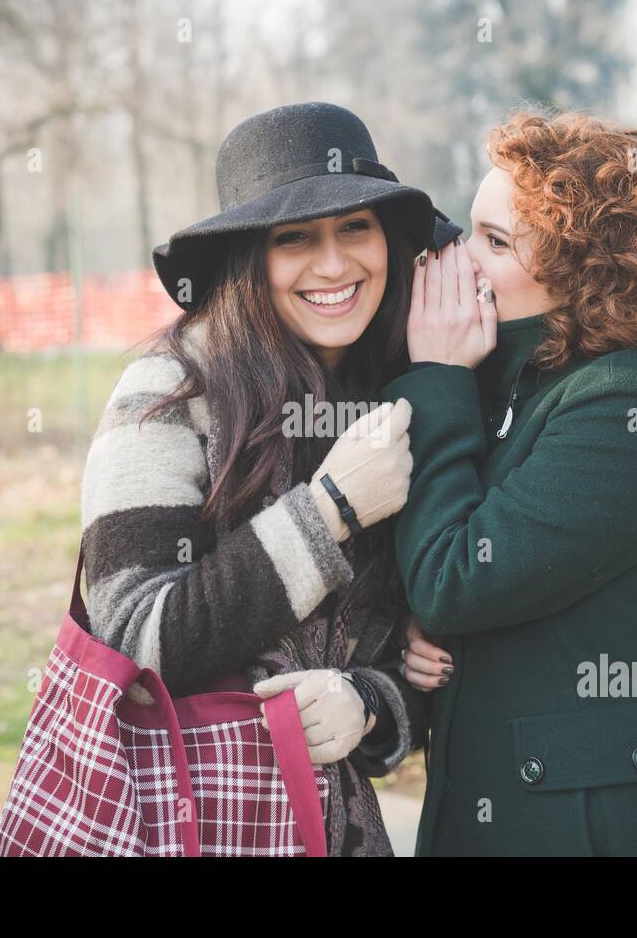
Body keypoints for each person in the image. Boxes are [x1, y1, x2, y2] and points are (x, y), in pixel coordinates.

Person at [79, 101, 461, 856]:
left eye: (356, 227)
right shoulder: (170, 391)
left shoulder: (387, 401)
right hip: (184, 823)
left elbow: (413, 664)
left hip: (336, 831)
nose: (333, 264)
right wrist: (331, 511)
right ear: (249, 257)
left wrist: (370, 704)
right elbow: (132, 643)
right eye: (296, 239)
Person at [388, 109, 637, 855]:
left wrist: (438, 377)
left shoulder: (634, 400)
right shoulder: (516, 378)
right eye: (468, 229)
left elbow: (453, 577)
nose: (459, 258)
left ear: (584, 276)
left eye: (496, 241)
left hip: (595, 827)